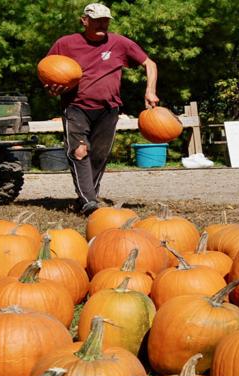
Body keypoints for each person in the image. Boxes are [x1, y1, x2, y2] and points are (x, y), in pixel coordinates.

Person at [45, 3, 158, 216]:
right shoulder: (66, 44)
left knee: (98, 156)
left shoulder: (119, 43)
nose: (102, 24)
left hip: (109, 109)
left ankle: (87, 197)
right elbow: (48, 71)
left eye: (105, 20)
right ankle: (89, 202)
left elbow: (150, 64)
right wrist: (52, 88)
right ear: (84, 20)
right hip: (76, 107)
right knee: (79, 152)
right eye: (97, 20)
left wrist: (150, 91)